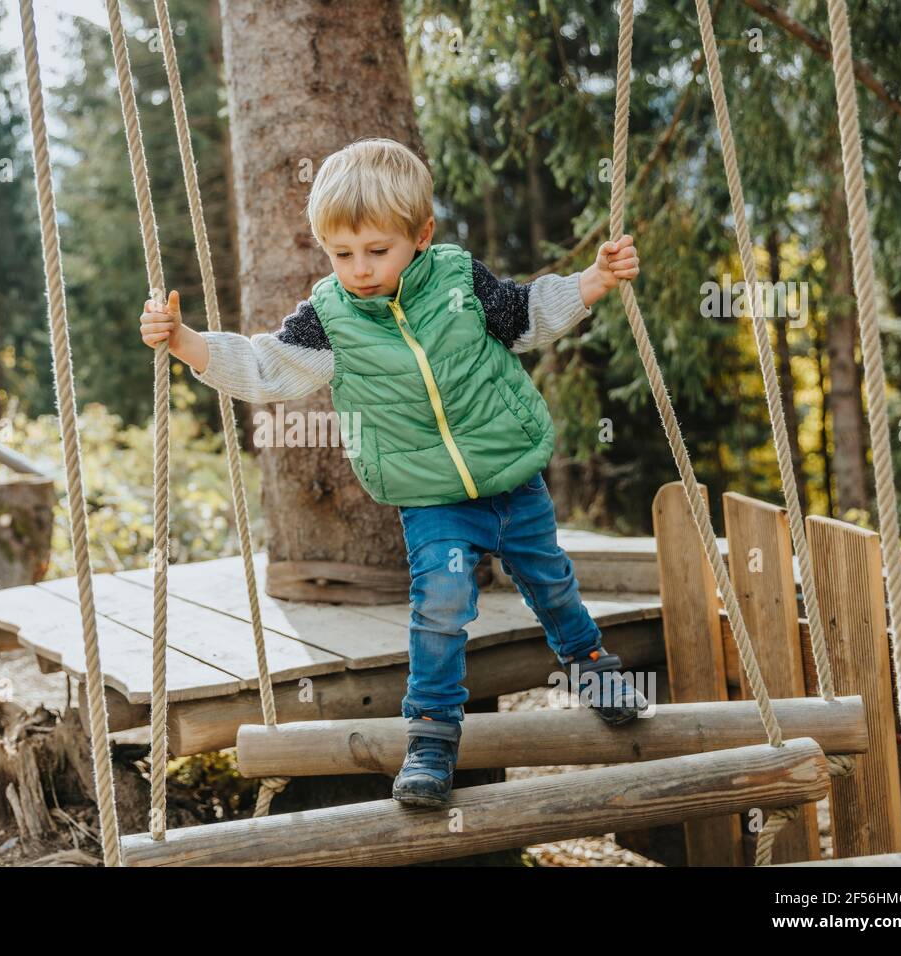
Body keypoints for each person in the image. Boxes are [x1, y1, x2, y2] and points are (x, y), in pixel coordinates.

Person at [140, 138, 648, 807]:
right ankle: (432, 738)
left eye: (376, 251)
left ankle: (590, 668)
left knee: (551, 582)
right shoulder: (333, 317)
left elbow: (526, 315)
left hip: (511, 476)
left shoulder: (461, 282)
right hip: (433, 500)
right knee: (440, 608)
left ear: (421, 235)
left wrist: (595, 280)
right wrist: (184, 341)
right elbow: (265, 366)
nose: (359, 269)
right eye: (341, 253)